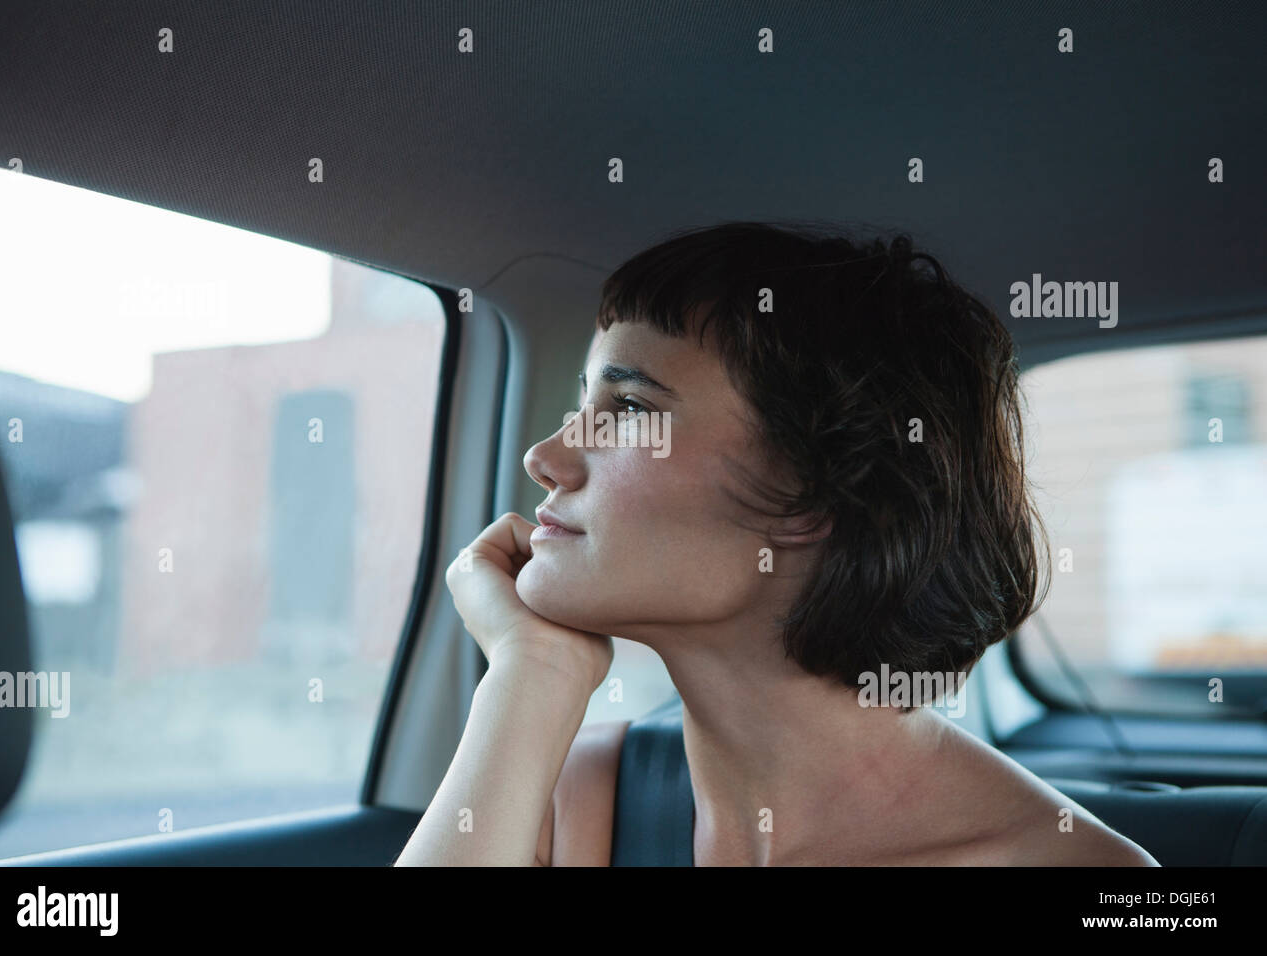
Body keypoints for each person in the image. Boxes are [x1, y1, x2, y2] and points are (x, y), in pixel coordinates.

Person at [395, 220, 1159, 866]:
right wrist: (532, 671)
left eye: (627, 407)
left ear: (814, 494)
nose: (546, 457)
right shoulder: (578, 797)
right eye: (580, 404)